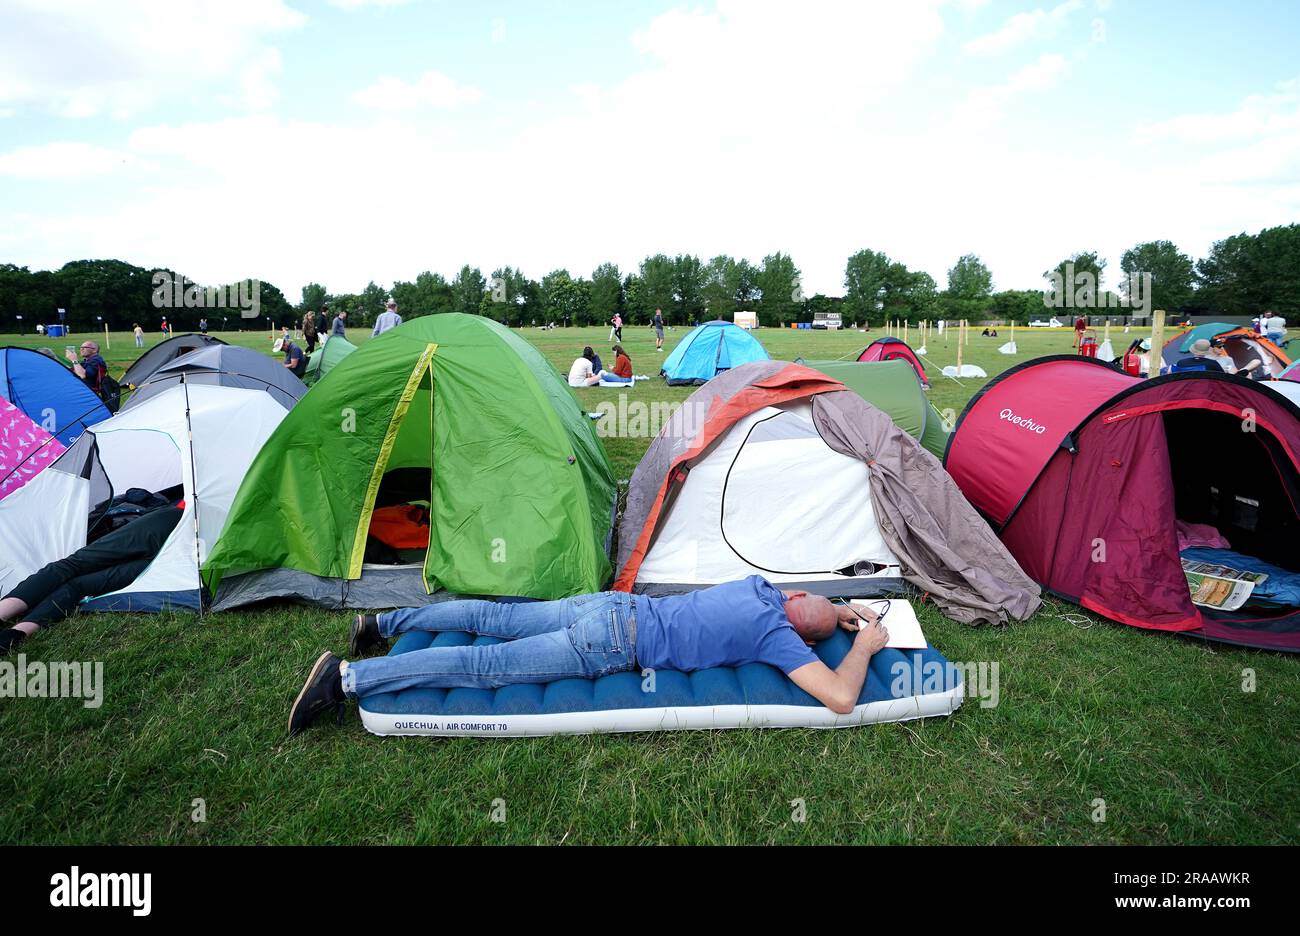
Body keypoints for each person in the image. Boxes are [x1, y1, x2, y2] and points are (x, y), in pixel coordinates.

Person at [287, 575, 890, 735]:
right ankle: (346, 679)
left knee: (493, 619)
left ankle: (380, 621)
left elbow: (805, 603)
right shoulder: (778, 642)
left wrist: (833, 608)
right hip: (613, 643)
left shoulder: (760, 588)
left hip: (609, 607)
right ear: (806, 638)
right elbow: (840, 697)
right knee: (485, 668)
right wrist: (861, 641)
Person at [0, 505, 184, 654]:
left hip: (181, 557)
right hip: (175, 522)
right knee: (73, 565)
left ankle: (16, 634)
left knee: (81, 584)